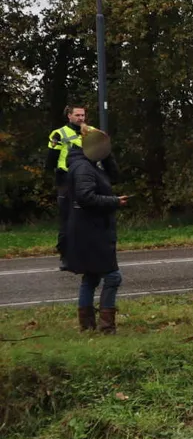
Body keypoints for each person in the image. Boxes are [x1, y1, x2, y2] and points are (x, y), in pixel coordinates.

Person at [65, 128, 128, 333]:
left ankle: (87, 326)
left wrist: (107, 156)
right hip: (91, 230)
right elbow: (86, 197)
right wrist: (114, 201)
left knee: (91, 276)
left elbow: (115, 176)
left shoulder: (89, 164)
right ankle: (106, 326)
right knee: (113, 276)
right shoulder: (84, 167)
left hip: (89, 228)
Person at [46, 104, 88, 269]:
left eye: (83, 115)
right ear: (69, 116)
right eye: (77, 115)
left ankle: (86, 254)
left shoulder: (91, 131)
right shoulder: (59, 133)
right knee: (67, 219)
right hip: (66, 179)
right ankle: (65, 256)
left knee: (87, 218)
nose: (81, 118)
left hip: (87, 179)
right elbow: (51, 158)